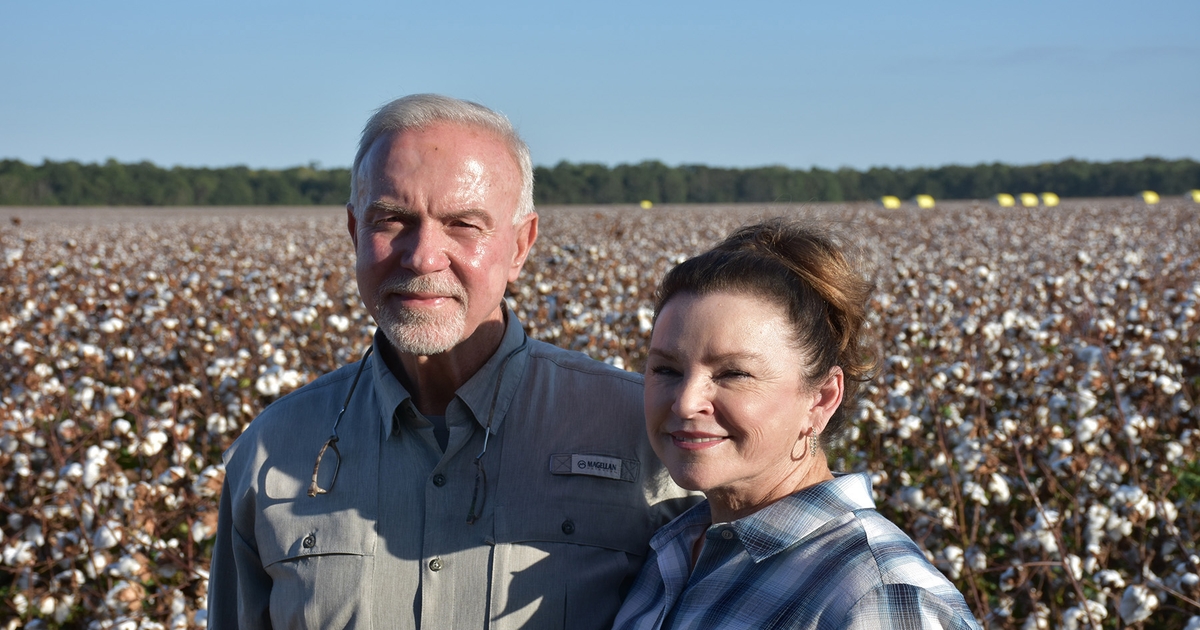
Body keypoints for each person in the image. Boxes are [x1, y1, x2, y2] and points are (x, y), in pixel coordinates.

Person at [207, 94, 693, 629]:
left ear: (520, 246)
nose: (422, 256)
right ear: (353, 233)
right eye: (392, 220)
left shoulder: (648, 435)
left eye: (463, 224)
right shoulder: (271, 451)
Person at [613, 219, 983, 629]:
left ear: (821, 398)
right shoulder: (679, 547)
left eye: (733, 374)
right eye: (666, 370)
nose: (686, 402)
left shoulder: (878, 596)